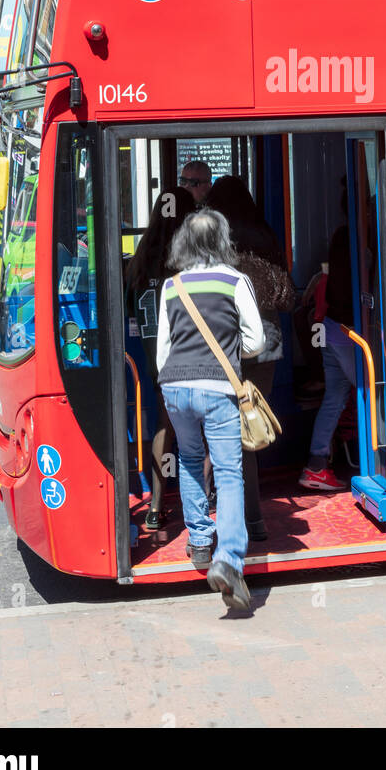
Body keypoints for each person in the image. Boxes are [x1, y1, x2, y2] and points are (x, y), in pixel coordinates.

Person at [157, 208, 265, 611]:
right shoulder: (235, 281)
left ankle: (200, 542)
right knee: (228, 471)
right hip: (218, 389)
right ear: (224, 241)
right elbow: (255, 342)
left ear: (184, 242)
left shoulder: (171, 286)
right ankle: (228, 559)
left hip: (175, 387)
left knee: (188, 459)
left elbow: (163, 351)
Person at [207, 175, 296, 541]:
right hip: (268, 343)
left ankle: (234, 514)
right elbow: (286, 296)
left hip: (228, 345)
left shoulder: (218, 242)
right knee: (250, 428)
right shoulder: (266, 235)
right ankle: (253, 519)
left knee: (223, 430)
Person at [125, 187, 195, 531]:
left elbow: (128, 310)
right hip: (185, 351)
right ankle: (203, 500)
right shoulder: (185, 260)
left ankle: (154, 506)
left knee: (163, 427)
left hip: (152, 358)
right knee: (202, 425)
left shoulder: (140, 258)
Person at [300, 209, 357, 492]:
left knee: (335, 395)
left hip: (331, 327)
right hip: (349, 332)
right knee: (375, 388)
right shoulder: (360, 237)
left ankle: (317, 464)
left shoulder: (339, 236)